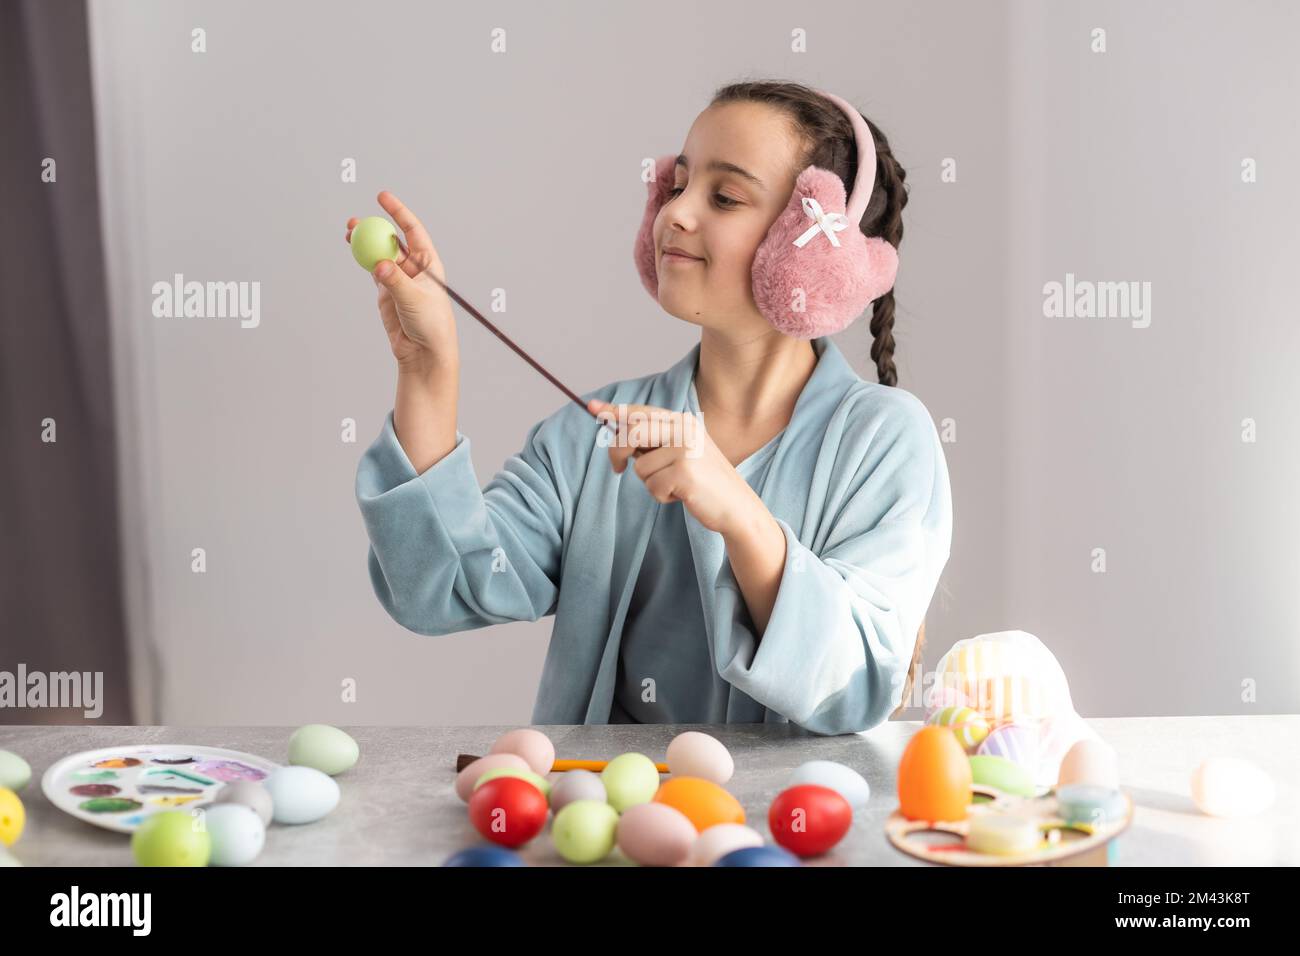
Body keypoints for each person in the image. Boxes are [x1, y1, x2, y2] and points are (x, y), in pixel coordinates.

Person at [352, 80, 952, 735]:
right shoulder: (596, 432)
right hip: (608, 831)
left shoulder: (887, 440)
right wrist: (428, 372)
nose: (676, 213)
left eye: (723, 196)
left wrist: (740, 514)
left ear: (812, 254)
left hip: (789, 835)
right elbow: (436, 586)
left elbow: (860, 680)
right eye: (677, 185)